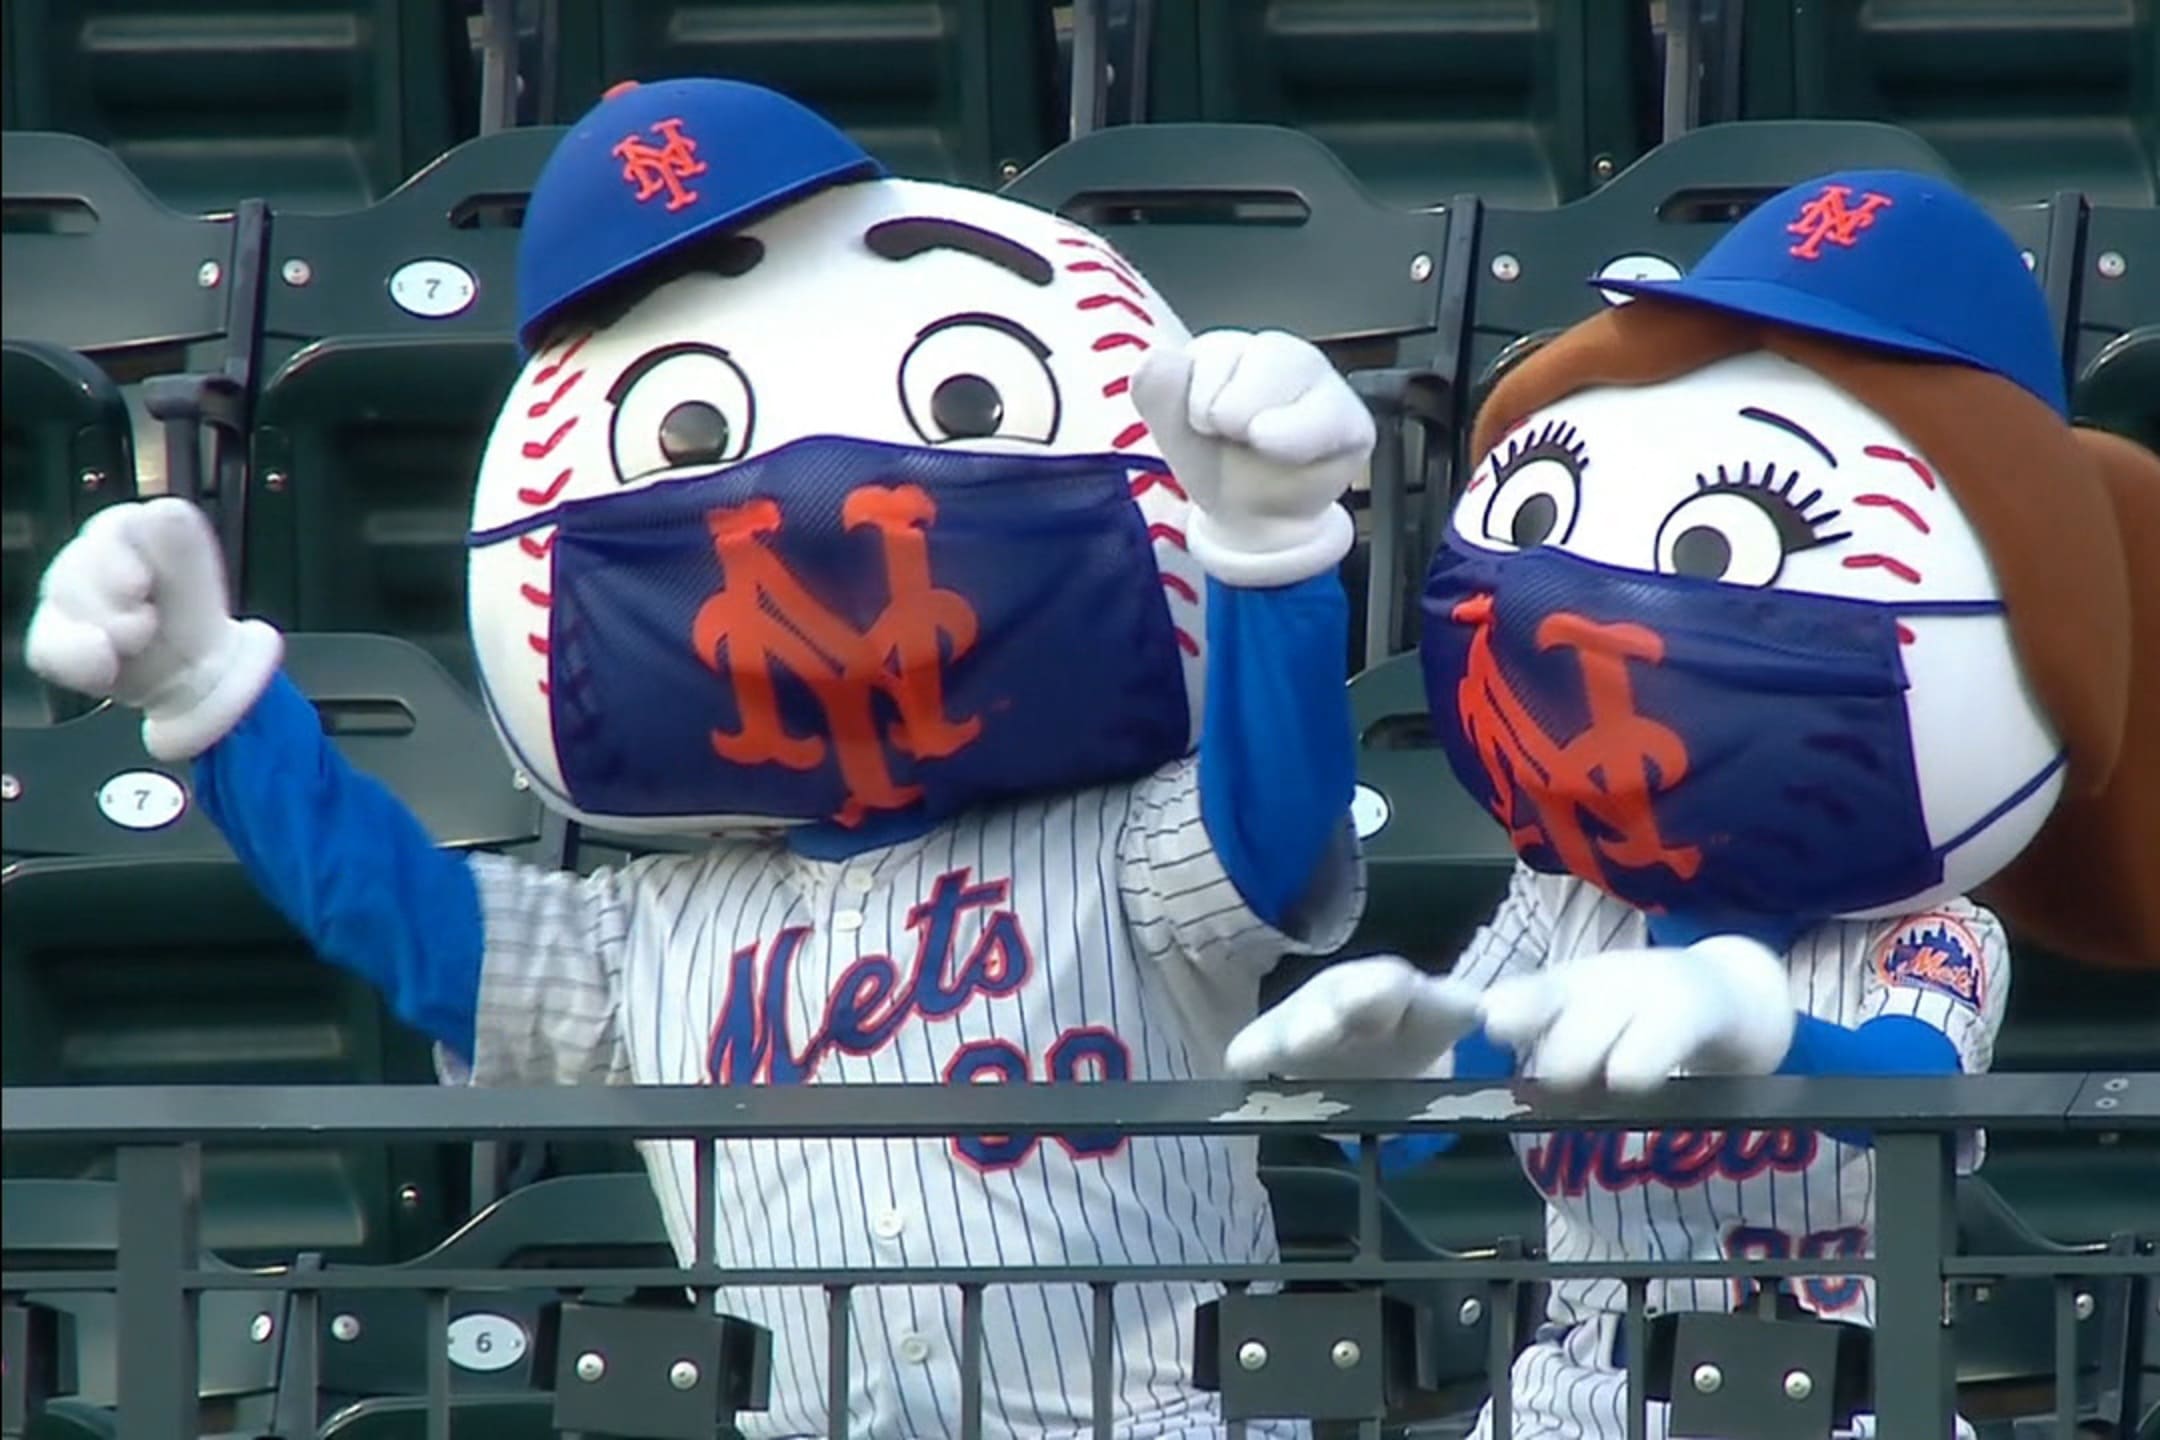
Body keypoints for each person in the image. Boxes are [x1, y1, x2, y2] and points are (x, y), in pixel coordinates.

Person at [25, 78, 1379, 1439]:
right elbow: (408, 924)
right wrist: (221, 708)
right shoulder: (644, 939)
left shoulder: (1129, 852)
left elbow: (1273, 819)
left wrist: (1269, 559)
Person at [1228, 168, 2160, 1440]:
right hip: (1574, 1402)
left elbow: (1907, 1088)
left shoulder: (1937, 929)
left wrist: (1758, 1025)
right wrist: (1401, 1071)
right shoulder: (1566, 900)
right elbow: (1445, 1101)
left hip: (1835, 1408)